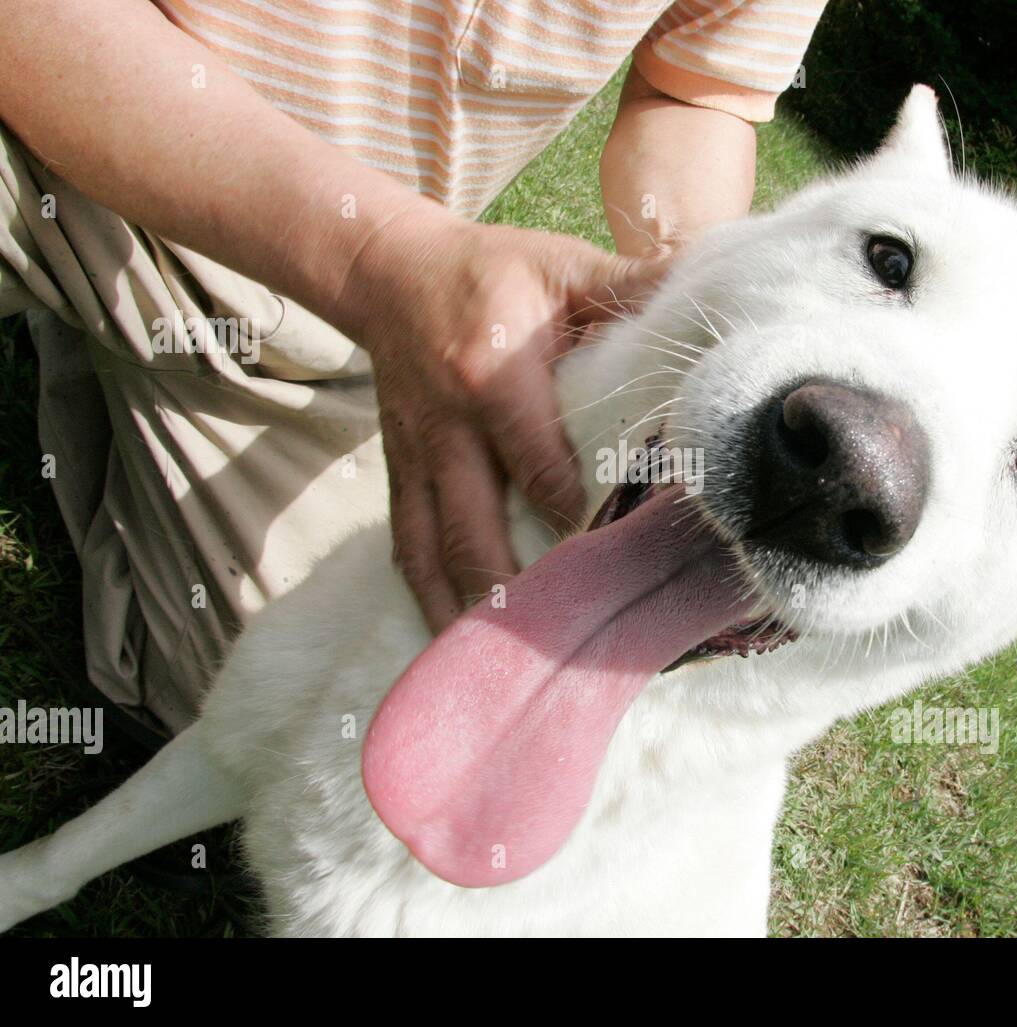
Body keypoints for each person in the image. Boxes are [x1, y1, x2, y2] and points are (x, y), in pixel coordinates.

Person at [0, 0, 826, 736]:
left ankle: (93, 348)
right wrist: (375, 256)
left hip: (305, 306)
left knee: (283, 698)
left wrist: (685, 290)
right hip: (72, 104)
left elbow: (693, 90)